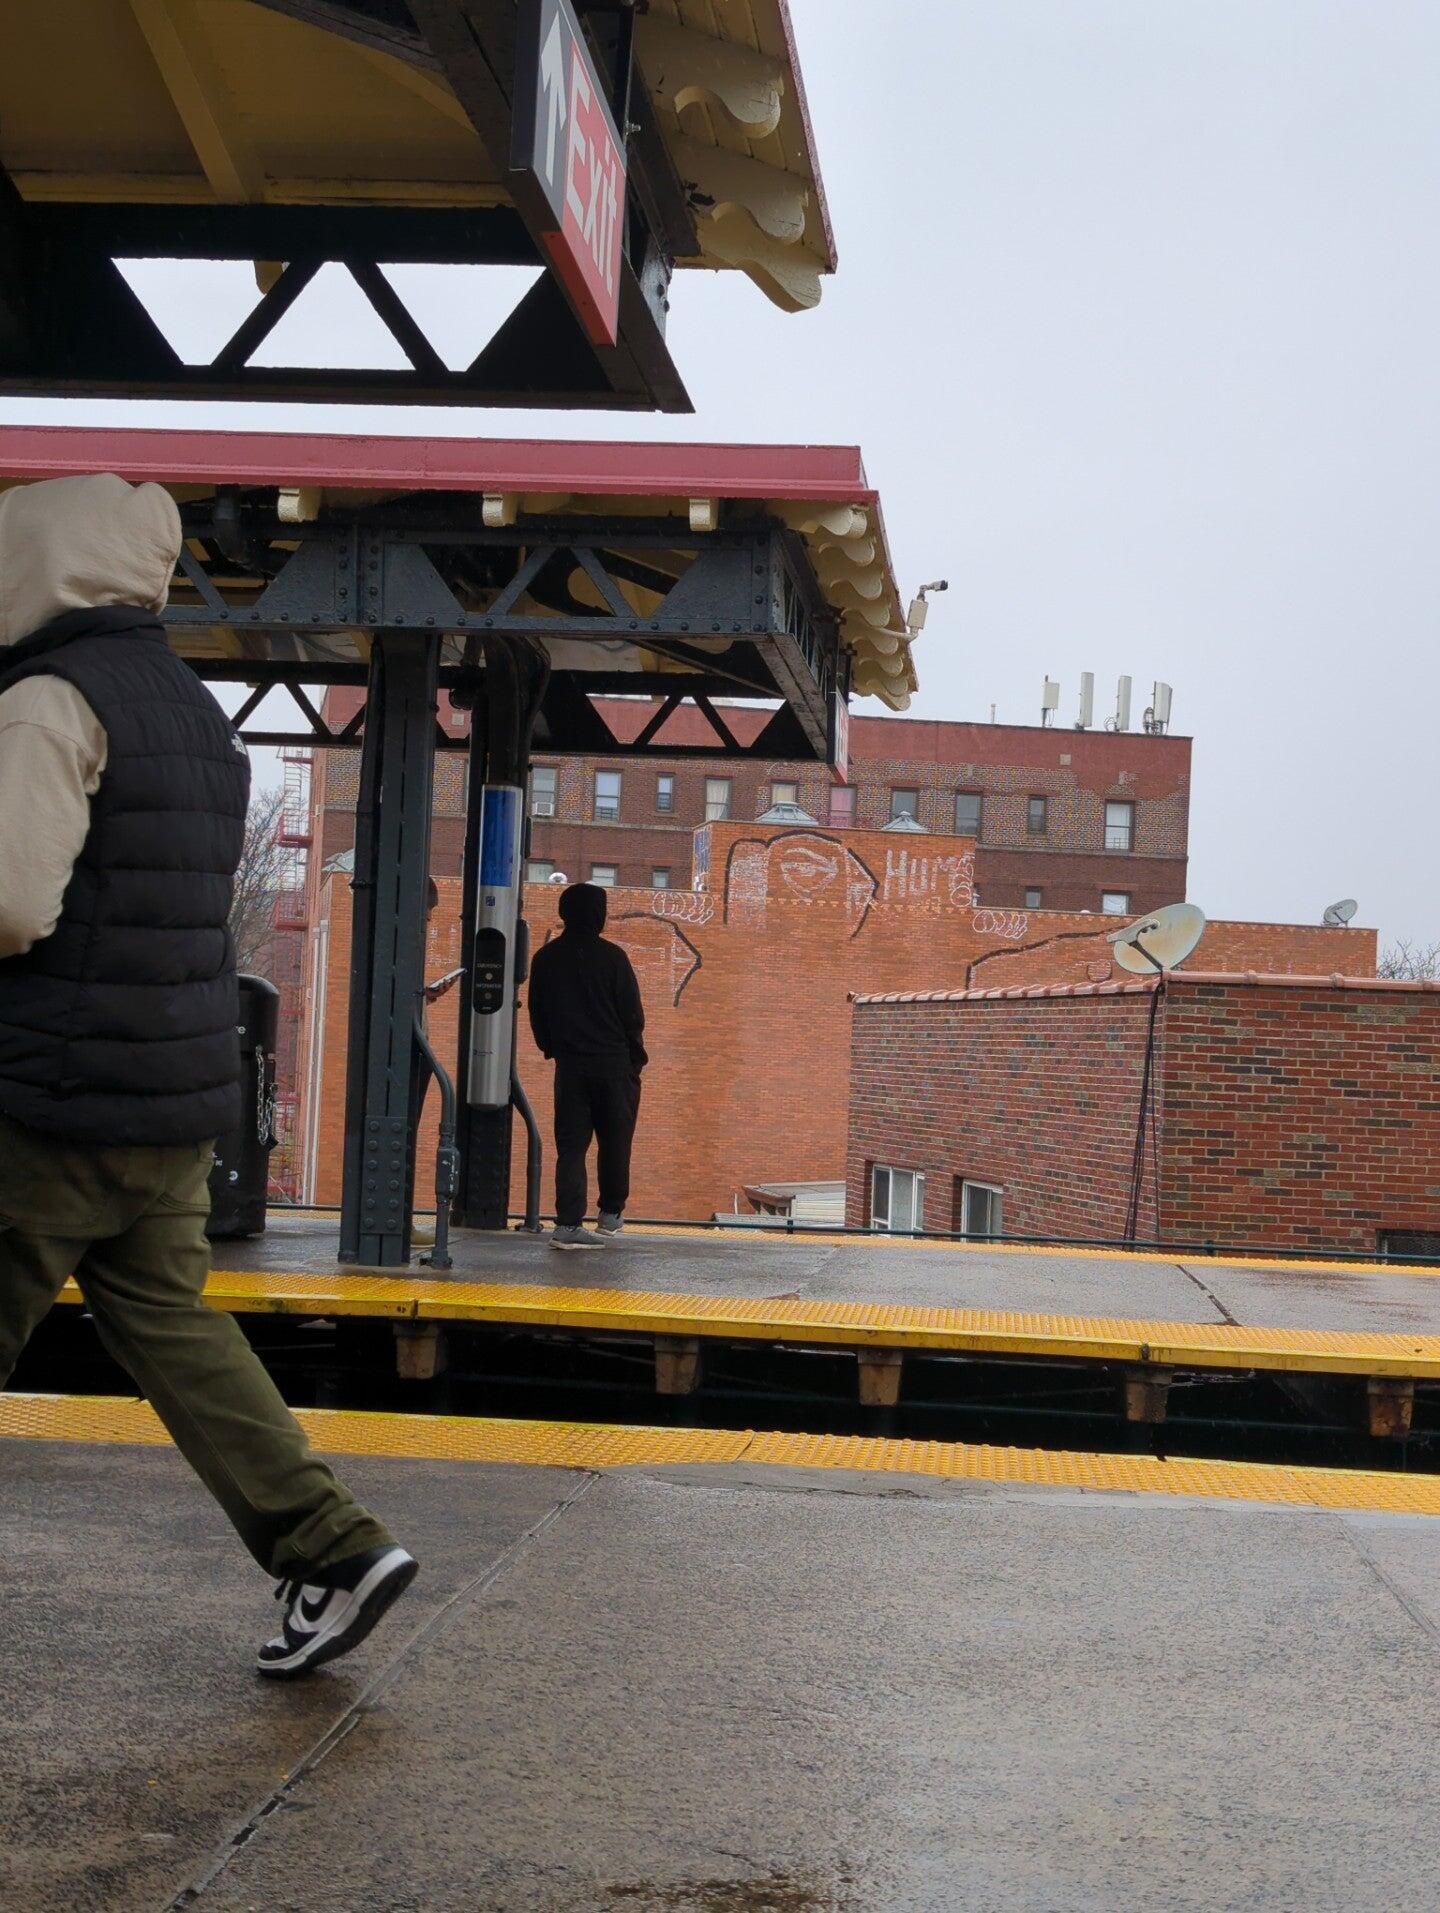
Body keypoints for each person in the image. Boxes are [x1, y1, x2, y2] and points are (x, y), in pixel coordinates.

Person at [0, 473, 415, 1678]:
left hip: (46, 1103)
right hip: (172, 1111)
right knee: (178, 1333)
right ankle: (335, 1543)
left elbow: (15, 901)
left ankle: (333, 1543)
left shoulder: (47, 700)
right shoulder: (191, 708)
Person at [527, 882, 646, 1250]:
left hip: (571, 1067)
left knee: (572, 1146)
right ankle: (610, 1214)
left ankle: (567, 1224)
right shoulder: (613, 958)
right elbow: (632, 1015)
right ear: (598, 913)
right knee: (615, 1141)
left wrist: (553, 1049)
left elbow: (537, 1014)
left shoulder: (545, 959)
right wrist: (634, 1060)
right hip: (613, 1065)